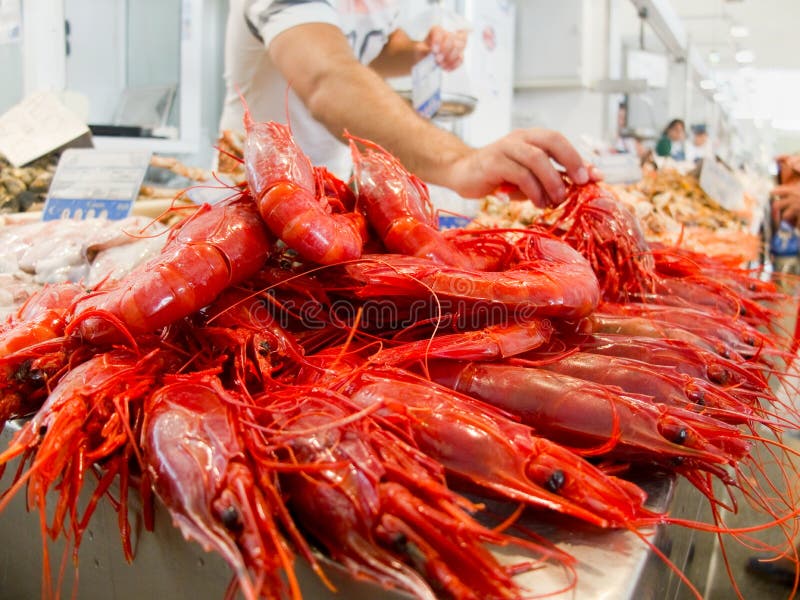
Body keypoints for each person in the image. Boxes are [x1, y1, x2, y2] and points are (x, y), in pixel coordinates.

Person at [219, 0, 601, 208]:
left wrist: (422, 50)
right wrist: (461, 162)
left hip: (326, 188)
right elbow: (328, 78)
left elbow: (377, 47)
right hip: (252, 192)